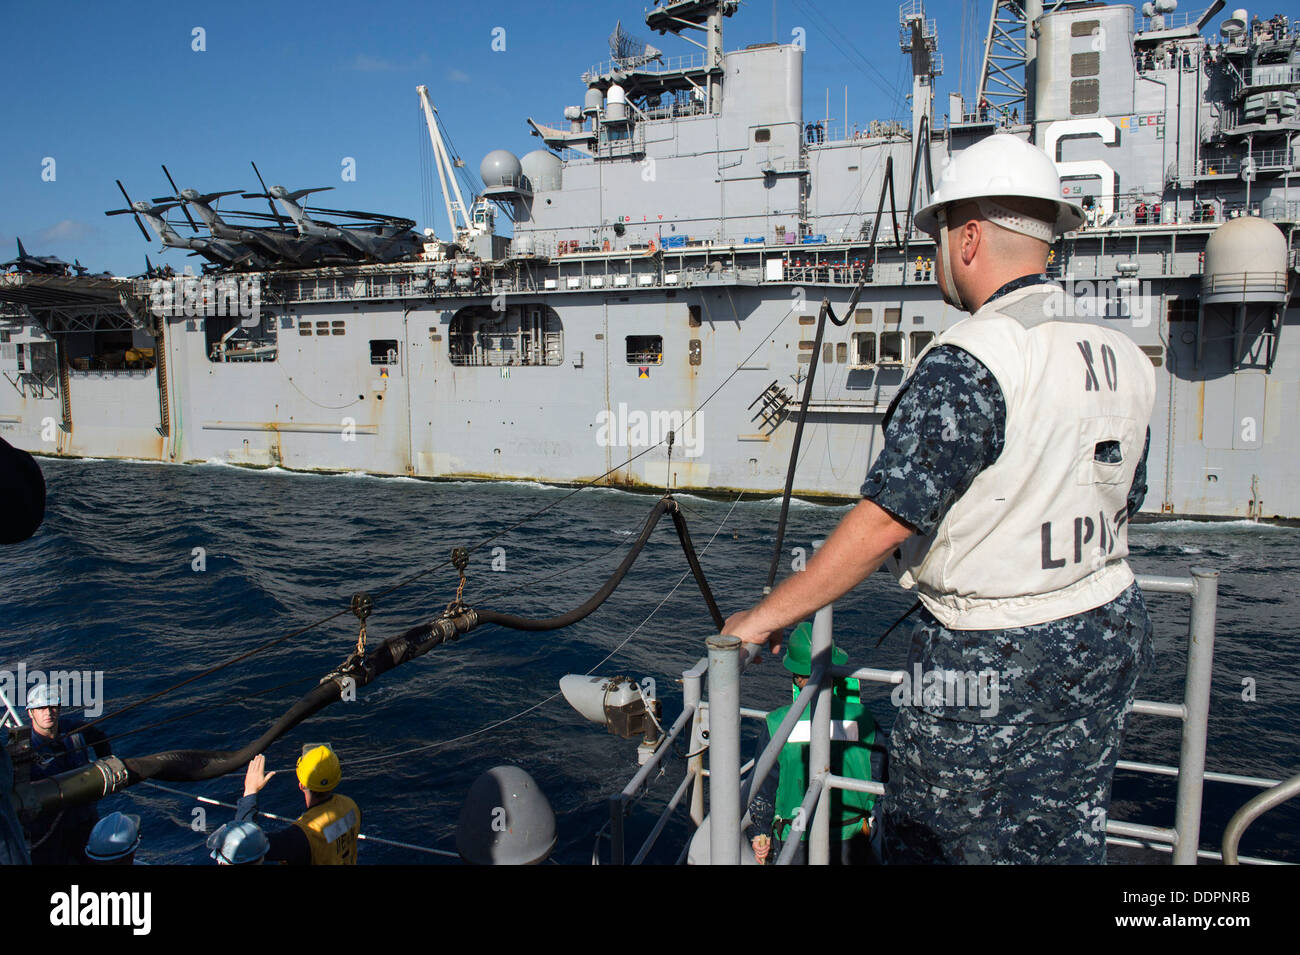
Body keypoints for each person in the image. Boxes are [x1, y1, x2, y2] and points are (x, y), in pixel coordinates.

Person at [723, 132, 1155, 864]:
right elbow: (1121, 496)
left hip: (991, 658)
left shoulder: (973, 357)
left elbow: (887, 518)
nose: (934, 255)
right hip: (1107, 632)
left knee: (940, 842)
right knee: (1062, 835)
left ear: (970, 238)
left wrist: (765, 617)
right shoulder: (1124, 356)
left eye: (938, 235)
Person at [747, 623, 882, 865]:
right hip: (854, 841)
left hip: (796, 839)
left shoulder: (777, 723)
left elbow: (764, 788)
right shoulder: (865, 719)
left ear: (798, 678)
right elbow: (881, 779)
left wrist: (760, 832)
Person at [25, 683, 112, 865]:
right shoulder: (23, 751)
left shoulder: (75, 730)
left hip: (84, 818)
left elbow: (100, 739)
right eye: (41, 708)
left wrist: (106, 763)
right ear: (30, 713)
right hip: (49, 830)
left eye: (52, 707)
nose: (48, 713)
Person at [235, 745, 361, 865]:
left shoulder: (302, 836)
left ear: (301, 785)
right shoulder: (351, 806)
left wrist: (250, 791)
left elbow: (245, 846)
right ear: (336, 779)